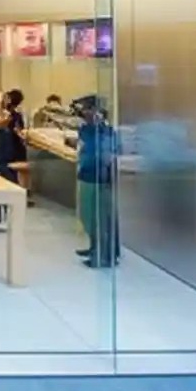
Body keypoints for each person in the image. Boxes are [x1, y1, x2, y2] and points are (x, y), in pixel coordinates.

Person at [76, 100, 120, 268]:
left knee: (100, 219)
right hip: (87, 175)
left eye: (89, 110)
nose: (86, 114)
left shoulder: (106, 132)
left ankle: (104, 255)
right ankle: (95, 247)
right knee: (88, 217)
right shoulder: (86, 130)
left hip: (100, 178)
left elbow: (108, 154)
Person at [0, 89, 26, 232]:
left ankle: (9, 216)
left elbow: (20, 133)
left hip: (9, 155)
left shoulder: (15, 116)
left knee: (10, 185)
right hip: (0, 154)